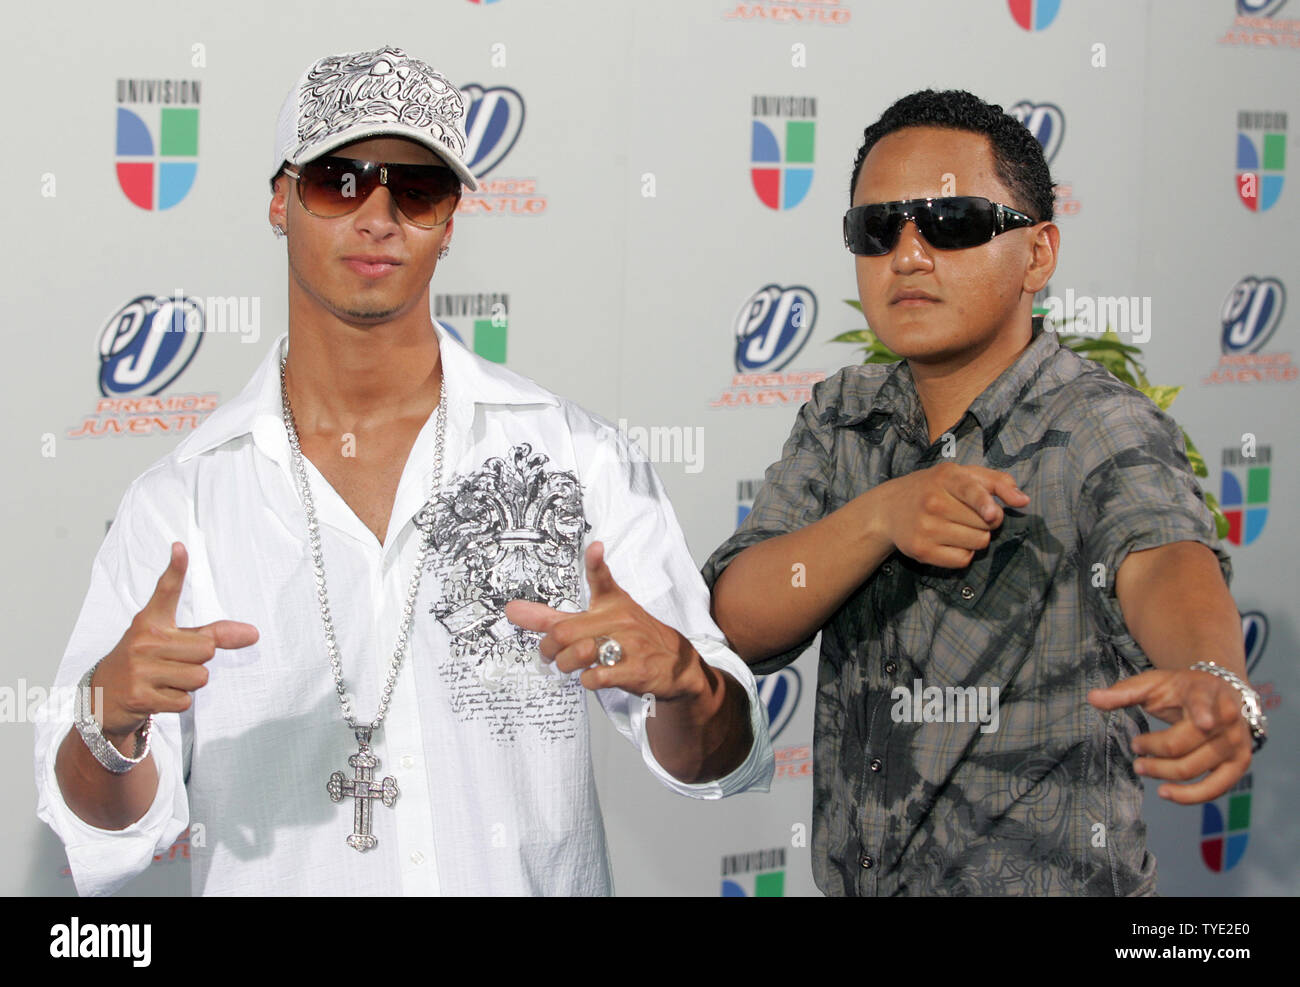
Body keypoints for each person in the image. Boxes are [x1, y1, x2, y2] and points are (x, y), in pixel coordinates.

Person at [35, 45, 772, 897]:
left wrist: (688, 686)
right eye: (338, 181)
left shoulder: (578, 460)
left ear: (449, 222)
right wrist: (109, 723)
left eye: (417, 190)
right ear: (280, 200)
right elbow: (107, 830)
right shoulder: (182, 502)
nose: (377, 215)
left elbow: (726, 760)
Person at [703, 89, 1264, 896]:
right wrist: (881, 516)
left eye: (951, 222)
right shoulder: (843, 414)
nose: (908, 254)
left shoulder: (1099, 424)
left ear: (1038, 254)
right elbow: (736, 622)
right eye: (876, 229)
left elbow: (1164, 559)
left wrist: (1213, 674)